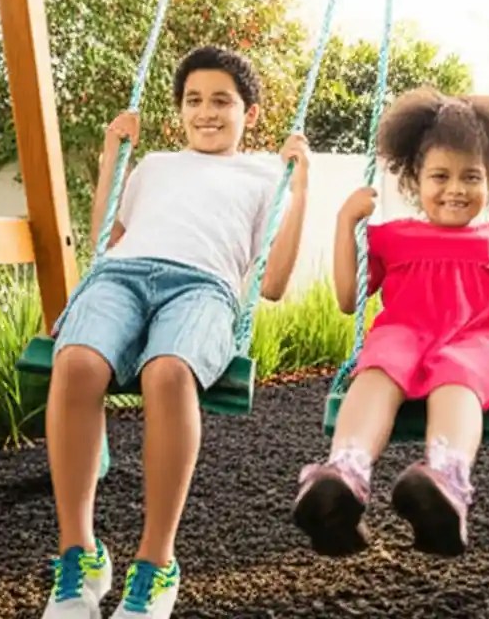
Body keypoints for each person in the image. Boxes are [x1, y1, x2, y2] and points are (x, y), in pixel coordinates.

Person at [41, 45, 309, 619]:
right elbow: (107, 239)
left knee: (168, 372)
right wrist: (115, 157)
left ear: (251, 113)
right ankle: (79, 557)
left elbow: (274, 283)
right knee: (76, 363)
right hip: (121, 275)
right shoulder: (157, 164)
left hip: (202, 288)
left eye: (221, 101)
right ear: (180, 109)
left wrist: (301, 189)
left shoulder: (267, 173)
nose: (205, 112)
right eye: (193, 101)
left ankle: (155, 565)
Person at [293, 87, 489, 558]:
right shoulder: (391, 236)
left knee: (458, 374)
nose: (455, 188)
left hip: (471, 341)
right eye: (440, 175)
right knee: (378, 366)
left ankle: (445, 482)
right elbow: (348, 299)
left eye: (470, 177)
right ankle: (344, 476)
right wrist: (344, 222)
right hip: (403, 335)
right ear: (414, 178)